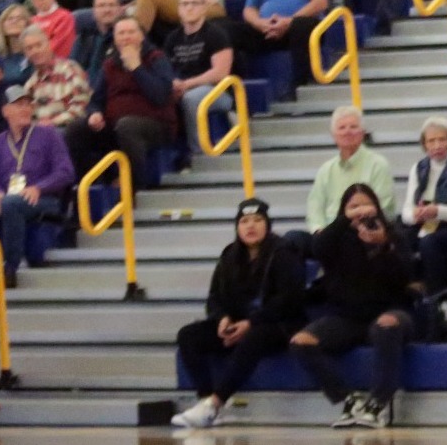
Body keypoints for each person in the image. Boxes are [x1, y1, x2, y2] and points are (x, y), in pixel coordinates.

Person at [171, 198, 306, 429]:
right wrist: (222, 318)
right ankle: (206, 402)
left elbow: (288, 300)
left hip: (278, 325)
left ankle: (215, 403)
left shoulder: (284, 252)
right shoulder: (230, 255)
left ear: (268, 224)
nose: (250, 226)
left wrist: (250, 323)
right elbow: (214, 298)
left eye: (257, 220)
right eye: (244, 221)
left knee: (255, 337)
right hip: (238, 324)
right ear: (237, 227)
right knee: (188, 335)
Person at [290, 184, 417, 429]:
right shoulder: (336, 238)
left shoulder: (393, 235)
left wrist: (383, 245)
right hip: (348, 318)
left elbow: (404, 277)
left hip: (391, 311)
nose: (360, 211)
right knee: (300, 342)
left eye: (365, 205)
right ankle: (349, 399)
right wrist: (342, 221)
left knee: (386, 325)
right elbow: (318, 248)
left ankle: (379, 402)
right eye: (353, 206)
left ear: (377, 208)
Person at [65, 16, 176, 187]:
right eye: (121, 33)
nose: (126, 37)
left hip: (156, 125)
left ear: (142, 36)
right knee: (76, 129)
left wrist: (136, 68)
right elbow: (96, 100)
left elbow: (160, 96)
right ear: (115, 39)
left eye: (131, 32)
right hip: (115, 125)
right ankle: (88, 186)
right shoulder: (110, 64)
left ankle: (137, 188)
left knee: (127, 126)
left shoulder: (156, 58)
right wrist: (95, 113)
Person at [0, 85, 75, 286]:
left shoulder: (48, 135)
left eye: (27, 104)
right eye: (18, 105)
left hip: (43, 198)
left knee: (11, 204)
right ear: (5, 111)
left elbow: (66, 172)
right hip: (9, 197)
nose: (25, 109)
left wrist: (39, 187)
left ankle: (10, 268)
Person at [166, 0, 233, 167]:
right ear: (178, 9)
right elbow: (166, 70)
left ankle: (199, 153)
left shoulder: (216, 34)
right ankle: (171, 156)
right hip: (184, 87)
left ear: (204, 8)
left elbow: (220, 73)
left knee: (190, 98)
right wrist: (174, 84)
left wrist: (187, 84)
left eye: (194, 3)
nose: (189, 8)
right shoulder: (172, 38)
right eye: (184, 4)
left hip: (217, 92)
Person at [304, 107, 396, 237]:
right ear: (333, 135)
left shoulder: (378, 165)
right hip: (328, 236)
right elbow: (315, 209)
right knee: (294, 239)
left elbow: (383, 208)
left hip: (362, 231)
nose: (347, 132)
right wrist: (319, 231)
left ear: (363, 133)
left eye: (353, 127)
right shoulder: (326, 170)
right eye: (342, 128)